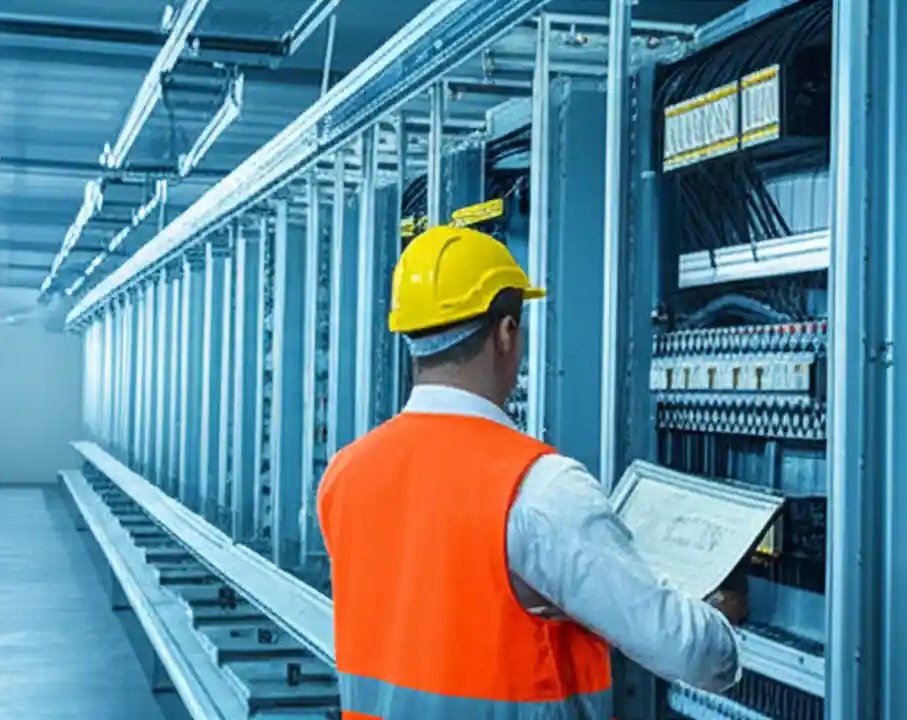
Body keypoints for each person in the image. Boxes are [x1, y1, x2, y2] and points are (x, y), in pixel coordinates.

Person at [317, 226, 746, 719]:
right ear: (505, 334)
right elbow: (686, 652)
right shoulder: (539, 487)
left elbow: (431, 604)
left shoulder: (344, 475)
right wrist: (721, 621)